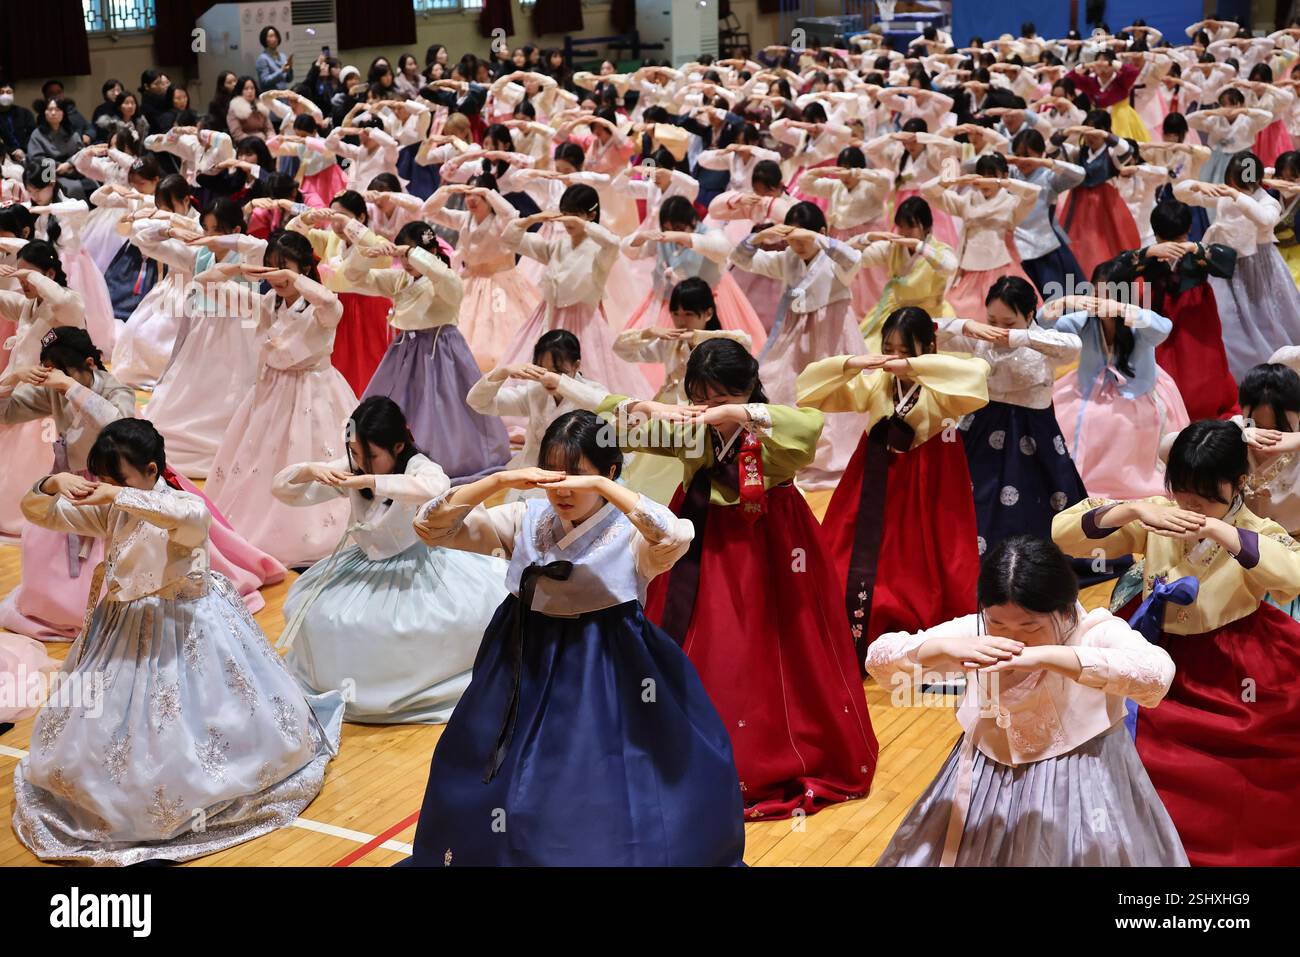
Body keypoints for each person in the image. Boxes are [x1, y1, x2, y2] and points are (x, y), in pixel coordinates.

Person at [404, 410, 746, 865]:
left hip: (605, 666)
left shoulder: (631, 535)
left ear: (608, 472)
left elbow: (676, 536)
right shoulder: (527, 517)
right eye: (554, 475)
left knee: (592, 777)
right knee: (489, 764)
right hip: (521, 654)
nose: (562, 490)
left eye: (579, 477)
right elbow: (432, 527)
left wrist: (608, 488)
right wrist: (499, 479)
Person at [11, 418, 343, 865]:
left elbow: (186, 517)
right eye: (104, 479)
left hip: (186, 626)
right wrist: (54, 481)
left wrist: (120, 495)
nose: (107, 487)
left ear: (151, 469)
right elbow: (38, 512)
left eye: (119, 477)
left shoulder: (183, 505)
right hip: (125, 626)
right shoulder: (115, 507)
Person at [601, 339, 879, 820]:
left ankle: (774, 752)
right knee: (707, 644)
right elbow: (617, 428)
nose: (706, 410)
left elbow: (809, 424)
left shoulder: (771, 430)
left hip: (771, 548)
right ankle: (681, 749)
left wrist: (728, 415)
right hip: (701, 543)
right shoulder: (688, 432)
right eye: (699, 399)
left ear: (748, 389)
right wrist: (641, 405)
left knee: (774, 649)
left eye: (719, 398)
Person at [1055, 419, 1300, 866]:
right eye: (1181, 491)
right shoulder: (1157, 514)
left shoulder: (1256, 530)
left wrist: (1223, 532)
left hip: (1230, 664)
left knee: (1231, 774)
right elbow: (1063, 531)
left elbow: (1291, 577)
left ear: (1239, 483)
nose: (1189, 505)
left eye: (1205, 496)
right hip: (1152, 651)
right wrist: (1132, 511)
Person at [869, 536, 1186, 866]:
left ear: (1064, 610)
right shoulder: (977, 631)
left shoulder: (1095, 632)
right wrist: (938, 650)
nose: (1010, 636)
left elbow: (1157, 675)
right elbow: (879, 661)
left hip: (1081, 780)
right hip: (981, 776)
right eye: (997, 623)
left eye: (1029, 626)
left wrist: (1051, 656)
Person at [272, 397, 508, 723]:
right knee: (317, 613)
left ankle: (404, 688)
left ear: (398, 446)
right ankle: (344, 682)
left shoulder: (417, 467)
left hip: (418, 565)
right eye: (354, 453)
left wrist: (368, 481)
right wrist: (310, 470)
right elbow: (284, 490)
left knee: (411, 629)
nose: (360, 462)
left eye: (370, 455)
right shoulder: (355, 467)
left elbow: (434, 486)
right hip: (362, 563)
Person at [798, 307, 990, 664]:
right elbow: (809, 388)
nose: (896, 358)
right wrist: (853, 362)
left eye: (906, 350)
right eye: (890, 348)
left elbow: (976, 377)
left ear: (928, 347)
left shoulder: (942, 386)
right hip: (874, 476)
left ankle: (925, 630)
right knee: (851, 552)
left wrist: (915, 367)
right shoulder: (877, 383)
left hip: (930, 480)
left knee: (932, 556)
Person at [197, 230, 357, 567]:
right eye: (271, 267)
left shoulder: (320, 304)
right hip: (271, 392)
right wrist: (236, 269)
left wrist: (294, 279)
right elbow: (204, 282)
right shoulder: (267, 302)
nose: (276, 275)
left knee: (308, 458)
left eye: (283, 267)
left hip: (315, 392)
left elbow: (333, 306)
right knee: (259, 463)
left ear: (302, 267)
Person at [341, 220, 511, 482]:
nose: (407, 261)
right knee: (397, 406)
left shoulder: (444, 278)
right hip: (405, 352)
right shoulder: (401, 280)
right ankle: (389, 456)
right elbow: (355, 278)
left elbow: (447, 283)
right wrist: (366, 245)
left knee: (443, 410)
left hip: (441, 352)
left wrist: (409, 253)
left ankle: (440, 464)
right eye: (403, 252)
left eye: (413, 252)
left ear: (430, 252)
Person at [939, 277, 1087, 555]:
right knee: (973, 496)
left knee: (1045, 501)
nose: (998, 330)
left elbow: (1073, 346)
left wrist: (1018, 336)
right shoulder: (981, 340)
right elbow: (931, 332)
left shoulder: (1044, 343)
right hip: (982, 427)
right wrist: (966, 325)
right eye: (992, 320)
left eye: (1008, 322)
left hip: (1034, 432)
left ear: (1030, 315)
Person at [1040, 264, 1189, 499]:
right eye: (1096, 294)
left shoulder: (1136, 319)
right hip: (1089, 390)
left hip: (1138, 392)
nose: (1100, 301)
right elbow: (1044, 326)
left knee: (1119, 425)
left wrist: (1121, 309)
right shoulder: (1085, 319)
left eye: (1107, 295)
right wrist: (1063, 302)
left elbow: (1163, 329)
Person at [1109, 201, 1239, 421]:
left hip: (1195, 312)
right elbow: (1112, 273)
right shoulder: (1148, 256)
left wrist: (1195, 247)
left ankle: (1201, 405)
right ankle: (1168, 408)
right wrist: (1148, 251)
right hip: (1158, 311)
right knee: (1162, 360)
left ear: (1188, 230)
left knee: (1203, 360)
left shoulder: (1196, 253)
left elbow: (1228, 263)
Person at [257, 26, 294, 93]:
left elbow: (288, 79)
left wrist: (290, 69)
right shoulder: (262, 58)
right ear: (264, 39)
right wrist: (281, 70)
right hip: (271, 98)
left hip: (284, 96)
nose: (274, 39)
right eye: (271, 36)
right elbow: (264, 81)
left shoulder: (283, 56)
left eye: (276, 36)